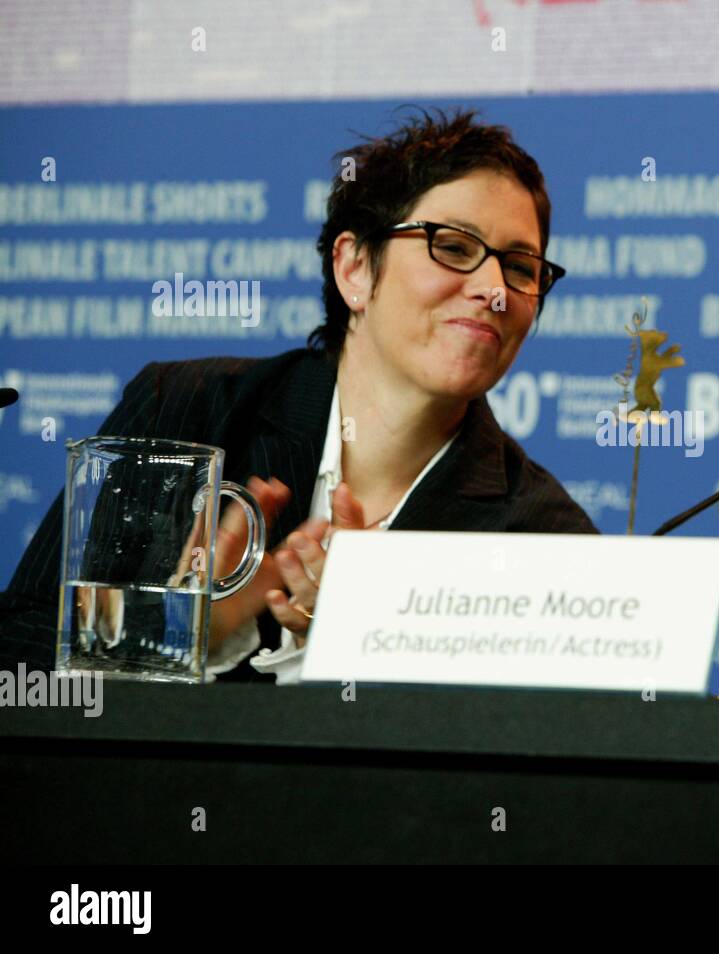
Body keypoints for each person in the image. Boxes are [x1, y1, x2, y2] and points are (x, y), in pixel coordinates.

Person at [0, 109, 597, 683]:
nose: (495, 290)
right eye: (455, 247)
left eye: (521, 268)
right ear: (355, 268)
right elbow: (15, 655)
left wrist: (355, 656)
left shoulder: (541, 536)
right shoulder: (184, 410)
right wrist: (183, 638)